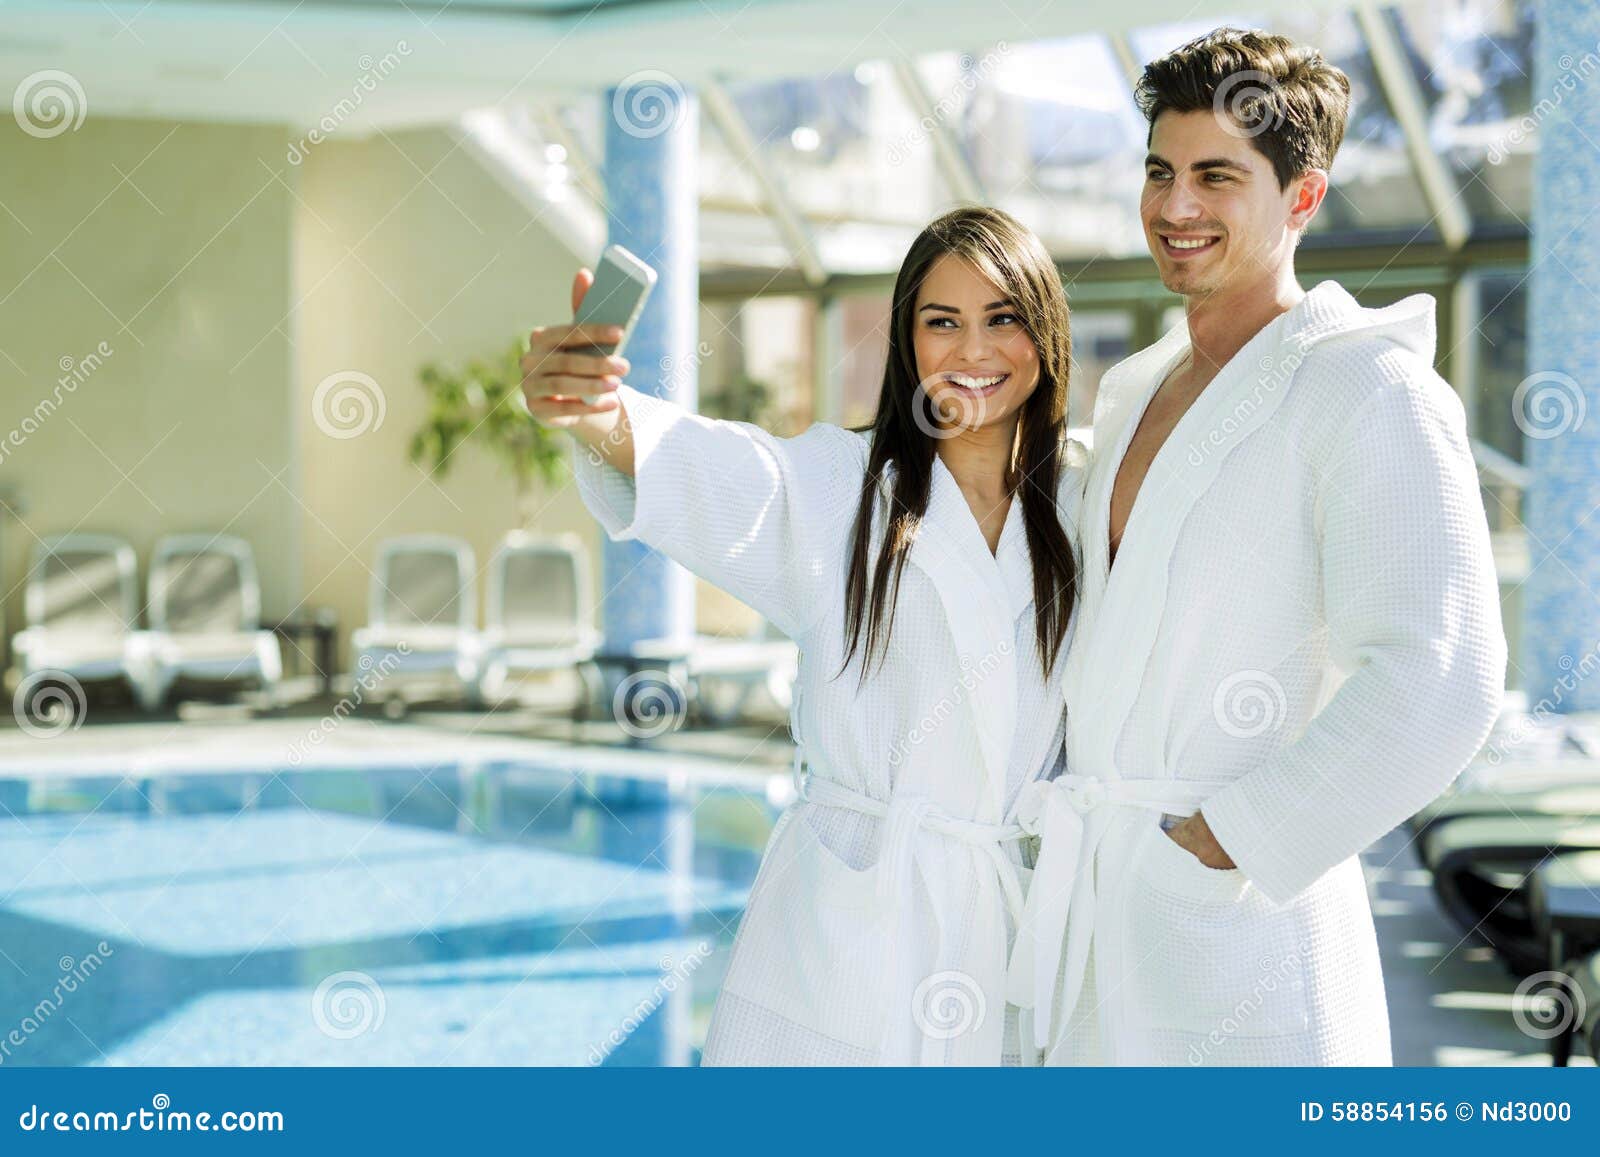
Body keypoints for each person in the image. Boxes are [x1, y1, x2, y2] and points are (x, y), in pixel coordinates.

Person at [1024, 28, 1507, 1065]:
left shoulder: (1367, 387)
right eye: (1158, 171)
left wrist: (1228, 840)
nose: (1174, 206)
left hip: (1239, 928)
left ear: (1302, 197)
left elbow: (1441, 675)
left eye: (1215, 176)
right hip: (1098, 908)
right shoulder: (1137, 389)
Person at [521, 206, 1085, 1064]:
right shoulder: (841, 487)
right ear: (908, 344)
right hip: (849, 918)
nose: (973, 350)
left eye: (1002, 318)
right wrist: (598, 412)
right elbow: (715, 467)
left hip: (1009, 923)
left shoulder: (1082, 504)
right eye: (942, 322)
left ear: (1045, 334)